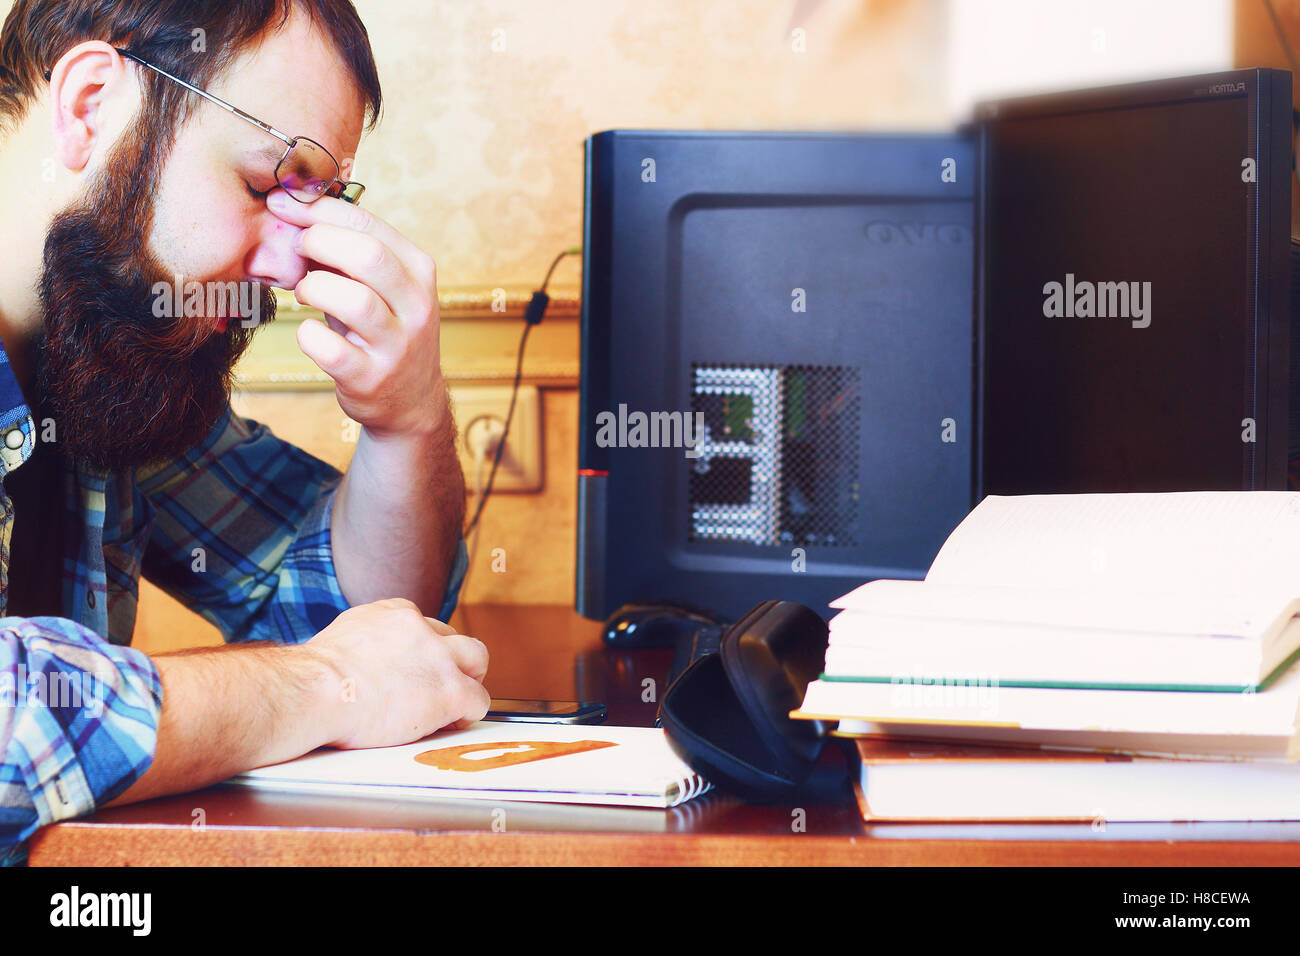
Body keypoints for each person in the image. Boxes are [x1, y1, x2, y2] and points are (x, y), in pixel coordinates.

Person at [0, 0, 489, 865]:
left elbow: (352, 617)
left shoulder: (102, 353)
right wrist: (321, 686)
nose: (290, 268)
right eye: (267, 185)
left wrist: (407, 422)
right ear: (89, 107)